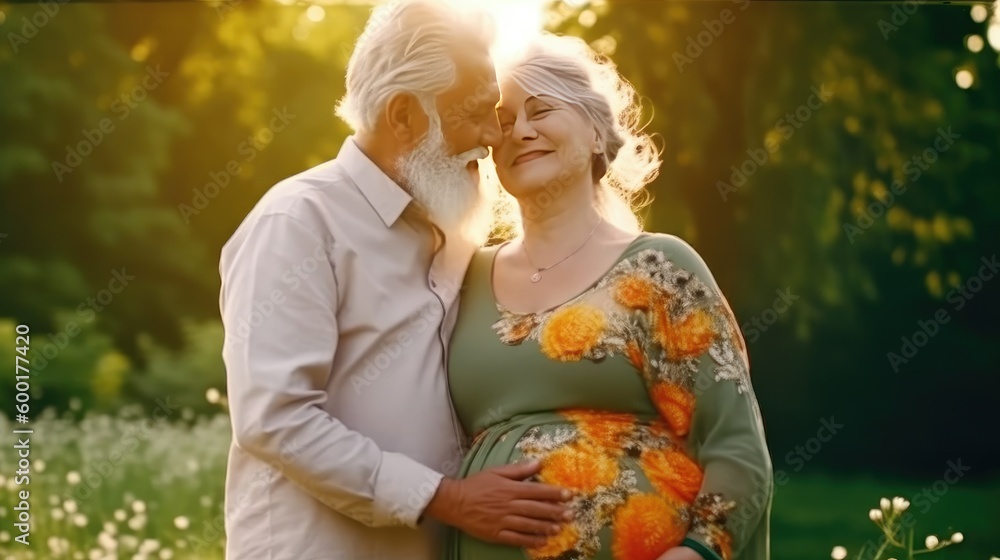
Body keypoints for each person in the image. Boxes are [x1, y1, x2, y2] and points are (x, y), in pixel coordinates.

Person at [218, 3, 574, 559]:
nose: (492, 136)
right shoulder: (297, 222)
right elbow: (276, 419)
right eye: (476, 113)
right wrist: (448, 500)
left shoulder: (452, 231)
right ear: (404, 116)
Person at [445, 34, 773, 560]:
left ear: (597, 132)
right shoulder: (459, 274)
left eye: (541, 110)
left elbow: (736, 446)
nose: (521, 131)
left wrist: (696, 553)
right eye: (503, 122)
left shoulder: (659, 268)